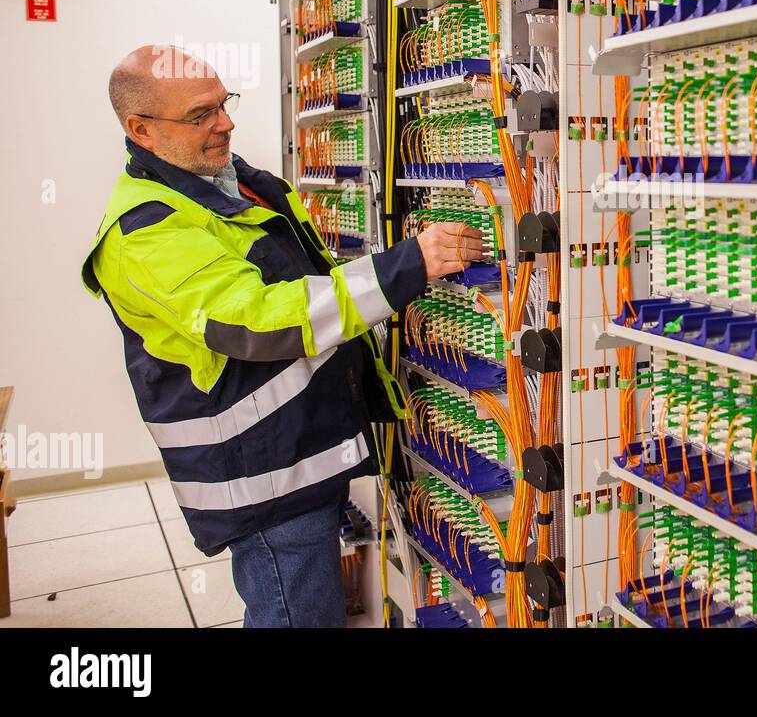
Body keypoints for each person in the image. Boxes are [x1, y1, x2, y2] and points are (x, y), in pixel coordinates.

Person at [81, 45, 482, 627]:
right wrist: (403, 268)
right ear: (141, 129)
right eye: (201, 115)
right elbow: (260, 320)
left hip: (299, 453)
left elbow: (309, 284)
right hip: (261, 477)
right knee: (296, 615)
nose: (225, 122)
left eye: (223, 104)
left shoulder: (233, 186)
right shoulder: (144, 232)